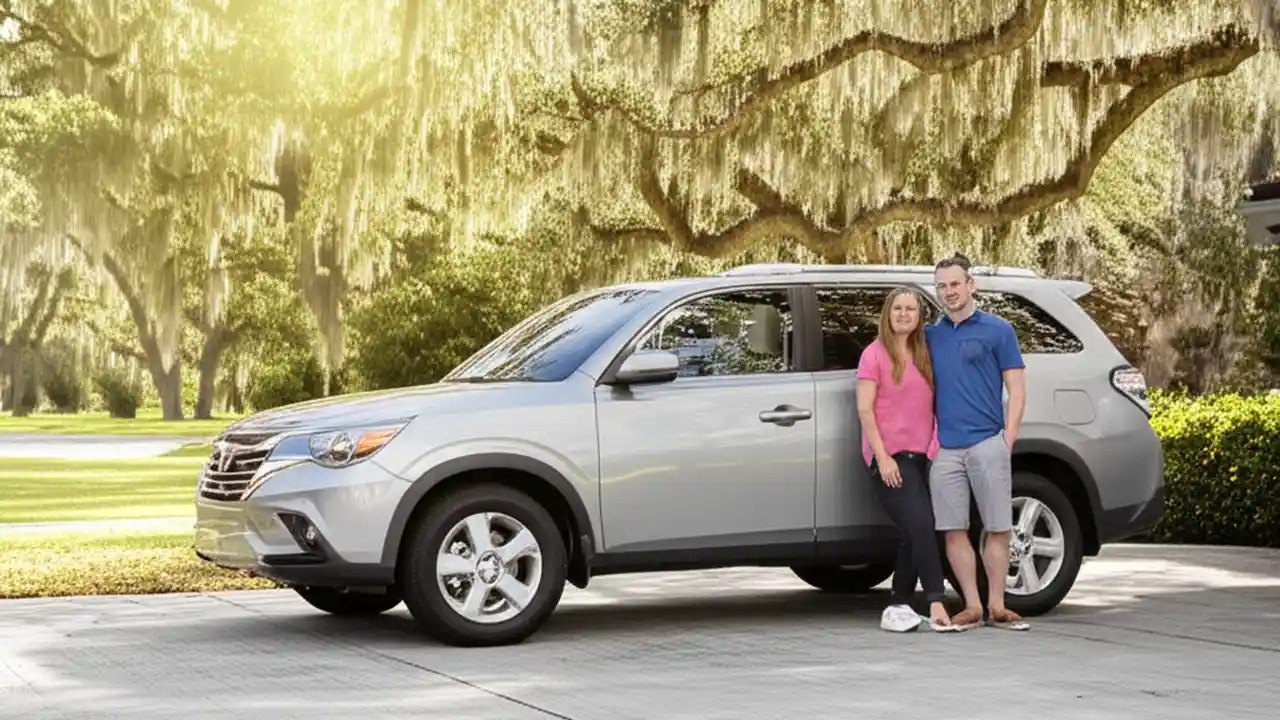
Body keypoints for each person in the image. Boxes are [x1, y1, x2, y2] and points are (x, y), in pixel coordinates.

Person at [925, 253, 1028, 631]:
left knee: (998, 527)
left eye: (955, 284)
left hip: (988, 442)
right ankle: (971, 605)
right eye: (942, 286)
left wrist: (1008, 439)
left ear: (971, 285)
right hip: (947, 448)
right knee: (954, 529)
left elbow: (1016, 390)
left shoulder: (999, 330)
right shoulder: (930, 335)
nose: (949, 292)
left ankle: (997, 605)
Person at [856, 286, 955, 632]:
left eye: (910, 309)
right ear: (888, 313)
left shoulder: (925, 353)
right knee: (922, 524)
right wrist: (882, 458)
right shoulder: (874, 354)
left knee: (911, 533)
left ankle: (899, 604)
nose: (903, 314)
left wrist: (936, 448)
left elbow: (939, 404)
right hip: (890, 459)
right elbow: (865, 409)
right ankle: (935, 600)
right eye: (897, 308)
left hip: (924, 457)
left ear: (918, 316)